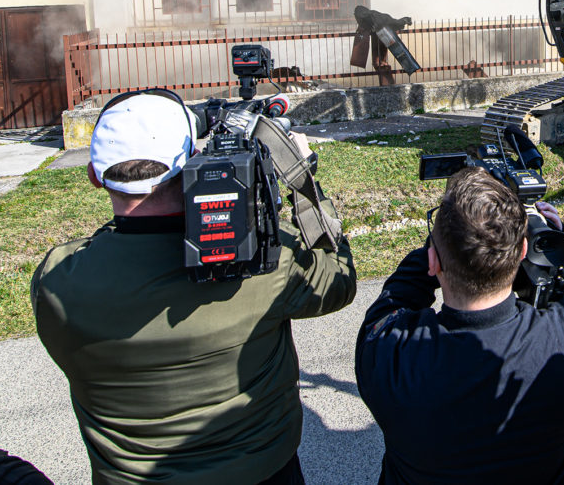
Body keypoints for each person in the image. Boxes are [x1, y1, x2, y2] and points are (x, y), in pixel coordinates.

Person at [31, 91, 357, 485]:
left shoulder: (56, 281)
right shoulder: (263, 264)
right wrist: (305, 181)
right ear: (192, 165)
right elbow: (338, 280)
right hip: (265, 472)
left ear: (95, 177)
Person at [355, 167, 564, 485]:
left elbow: (396, 298)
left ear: (433, 262)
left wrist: (445, 241)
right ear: (524, 251)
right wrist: (545, 240)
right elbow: (555, 290)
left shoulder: (390, 355)